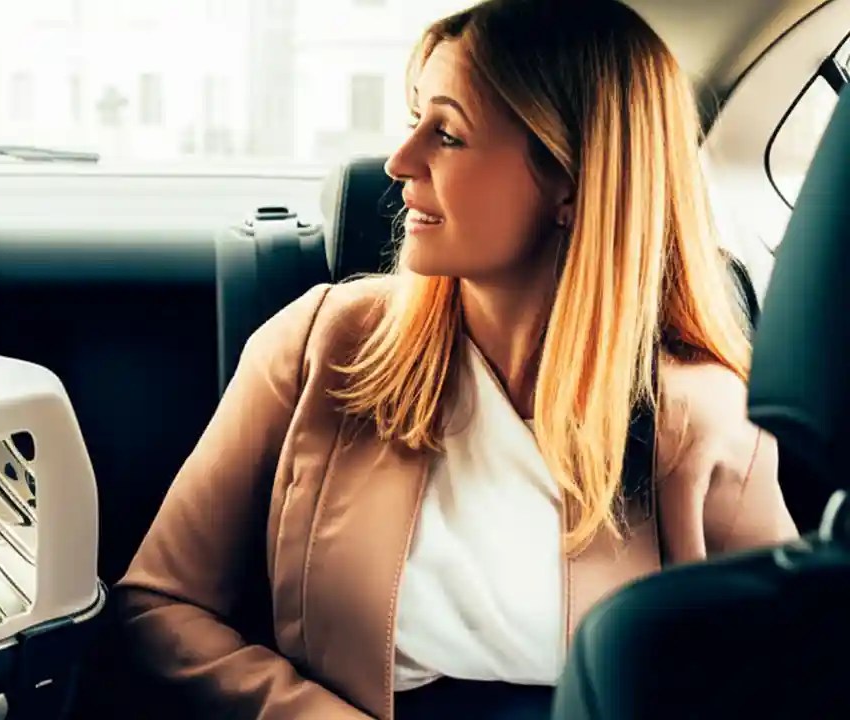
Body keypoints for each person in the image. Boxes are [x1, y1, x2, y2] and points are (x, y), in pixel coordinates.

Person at [113, 1, 798, 719]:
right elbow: (160, 605)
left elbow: (787, 675)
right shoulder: (322, 345)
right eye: (414, 120)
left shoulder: (706, 422)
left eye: (446, 133)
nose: (399, 162)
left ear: (571, 181)